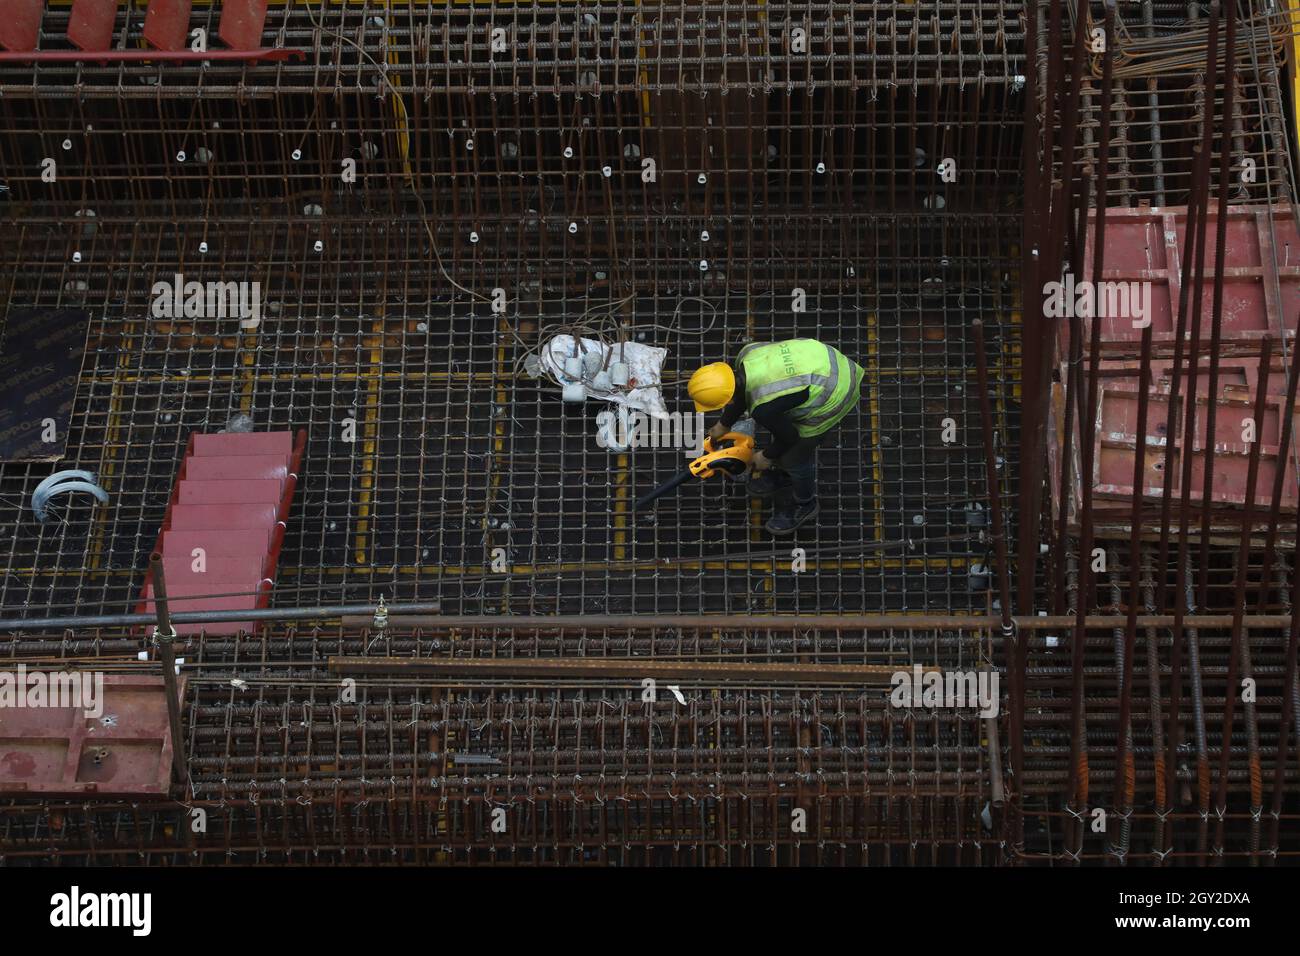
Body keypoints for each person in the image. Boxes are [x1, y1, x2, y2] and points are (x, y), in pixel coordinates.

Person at [686, 338, 865, 534]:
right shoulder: (747, 354)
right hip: (826, 360)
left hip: (837, 390)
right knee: (781, 425)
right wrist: (723, 425)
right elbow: (743, 393)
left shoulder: (763, 408)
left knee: (793, 457)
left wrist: (765, 456)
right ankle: (784, 476)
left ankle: (805, 505)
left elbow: (790, 437)